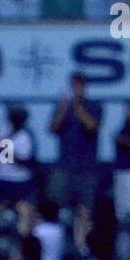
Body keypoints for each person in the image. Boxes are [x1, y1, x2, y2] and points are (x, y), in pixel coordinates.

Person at [49, 73, 102, 210]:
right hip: (65, 165)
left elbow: (92, 127)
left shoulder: (94, 106)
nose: (76, 89)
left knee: (86, 209)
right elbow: (52, 129)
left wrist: (78, 107)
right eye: (73, 86)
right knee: (61, 207)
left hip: (87, 168)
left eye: (79, 86)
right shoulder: (62, 107)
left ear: (84, 87)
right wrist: (63, 109)